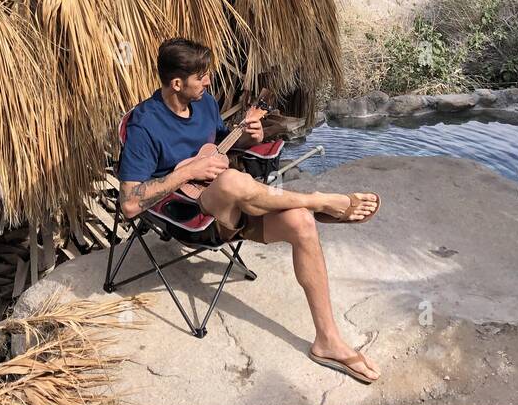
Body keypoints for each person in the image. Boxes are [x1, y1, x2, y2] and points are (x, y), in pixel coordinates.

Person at [118, 37, 382, 384]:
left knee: (301, 223)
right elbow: (130, 204)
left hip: (238, 210)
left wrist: (250, 136)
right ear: (177, 83)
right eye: (202, 76)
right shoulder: (144, 124)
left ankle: (327, 340)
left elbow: (222, 144)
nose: (209, 81)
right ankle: (320, 200)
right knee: (229, 182)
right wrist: (187, 172)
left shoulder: (205, 103)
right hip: (192, 217)